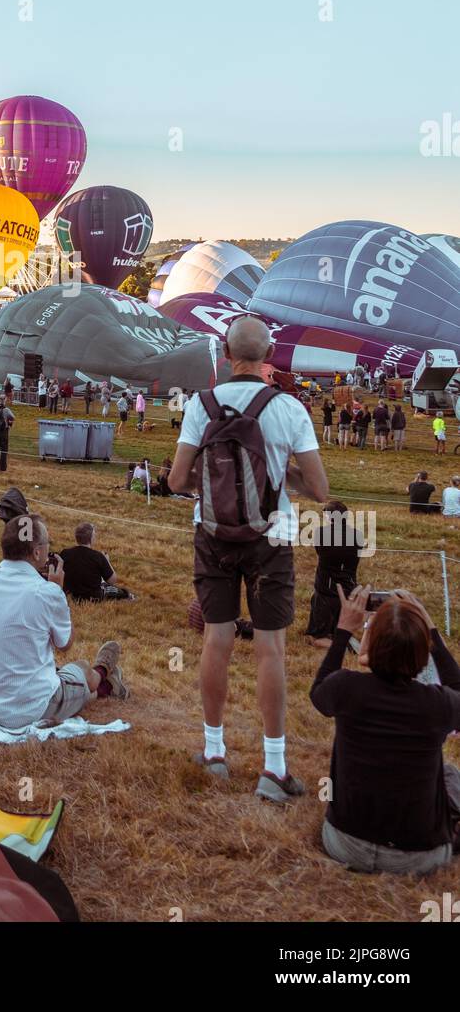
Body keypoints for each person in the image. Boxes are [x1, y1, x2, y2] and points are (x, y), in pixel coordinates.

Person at [169, 314, 329, 802]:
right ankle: (274, 767)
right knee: (270, 648)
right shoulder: (289, 408)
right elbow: (321, 490)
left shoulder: (202, 405)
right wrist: (278, 480)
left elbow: (176, 481)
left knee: (216, 638)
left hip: (213, 532)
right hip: (273, 534)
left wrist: (214, 487)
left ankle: (214, 752)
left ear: (225, 353)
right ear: (269, 357)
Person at [311, 587, 460, 874]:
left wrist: (342, 631)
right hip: (417, 856)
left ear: (371, 645)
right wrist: (432, 632)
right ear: (422, 651)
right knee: (450, 774)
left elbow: (318, 692)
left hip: (345, 843)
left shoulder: (345, 687)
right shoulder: (438, 703)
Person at [0, 513, 128, 729]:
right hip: (29, 707)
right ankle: (104, 677)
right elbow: (65, 644)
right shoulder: (46, 592)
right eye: (48, 543)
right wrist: (57, 591)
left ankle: (103, 679)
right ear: (38, 551)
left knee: (57, 670)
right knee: (82, 669)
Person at [303, 501, 365, 647]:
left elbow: (320, 553)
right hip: (348, 587)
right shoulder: (358, 534)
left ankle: (341, 645)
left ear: (329, 517)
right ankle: (340, 635)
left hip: (326, 589)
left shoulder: (320, 533)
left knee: (316, 638)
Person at [60, 524, 133, 602]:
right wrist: (107, 561)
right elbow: (112, 580)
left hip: (70, 595)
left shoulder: (65, 553)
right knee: (122, 591)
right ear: (91, 538)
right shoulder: (98, 556)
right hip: (93, 597)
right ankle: (129, 596)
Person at [0, 393, 15, 473]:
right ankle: (3, 468)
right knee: (3, 450)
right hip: (3, 431)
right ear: (5, 400)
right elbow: (12, 417)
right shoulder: (6, 410)